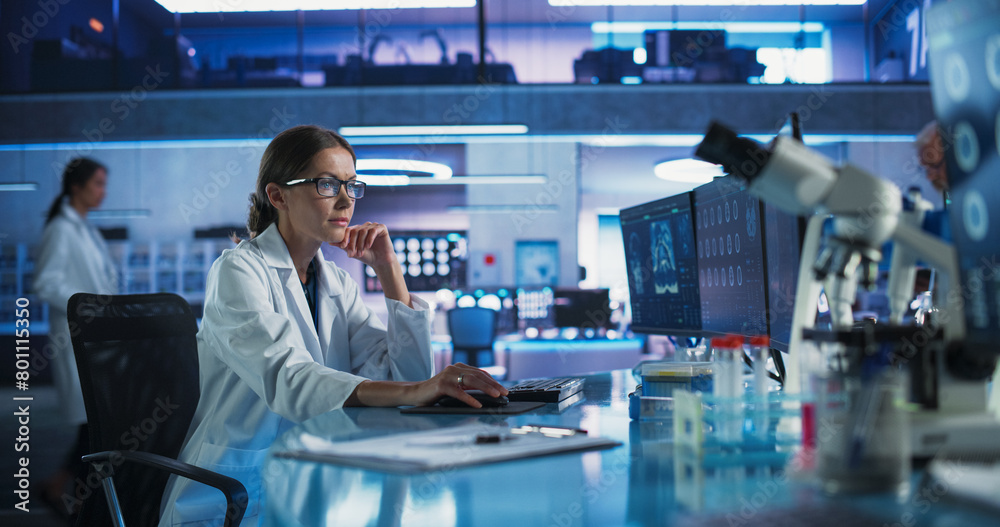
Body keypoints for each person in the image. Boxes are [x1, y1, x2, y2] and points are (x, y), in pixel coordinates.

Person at [159, 125, 506, 526]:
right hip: (233, 494)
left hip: (310, 484)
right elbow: (290, 381)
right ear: (278, 196)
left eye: (351, 185)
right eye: (326, 184)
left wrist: (389, 270)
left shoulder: (336, 282)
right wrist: (417, 388)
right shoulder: (238, 272)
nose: (345, 200)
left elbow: (408, 375)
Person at [32, 157, 118, 520]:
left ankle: (63, 489)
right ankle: (79, 500)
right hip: (79, 340)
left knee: (97, 426)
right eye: (97, 184)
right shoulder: (62, 230)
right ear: (76, 187)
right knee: (95, 428)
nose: (103, 191)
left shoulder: (83, 228)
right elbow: (45, 283)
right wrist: (86, 306)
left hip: (95, 341)